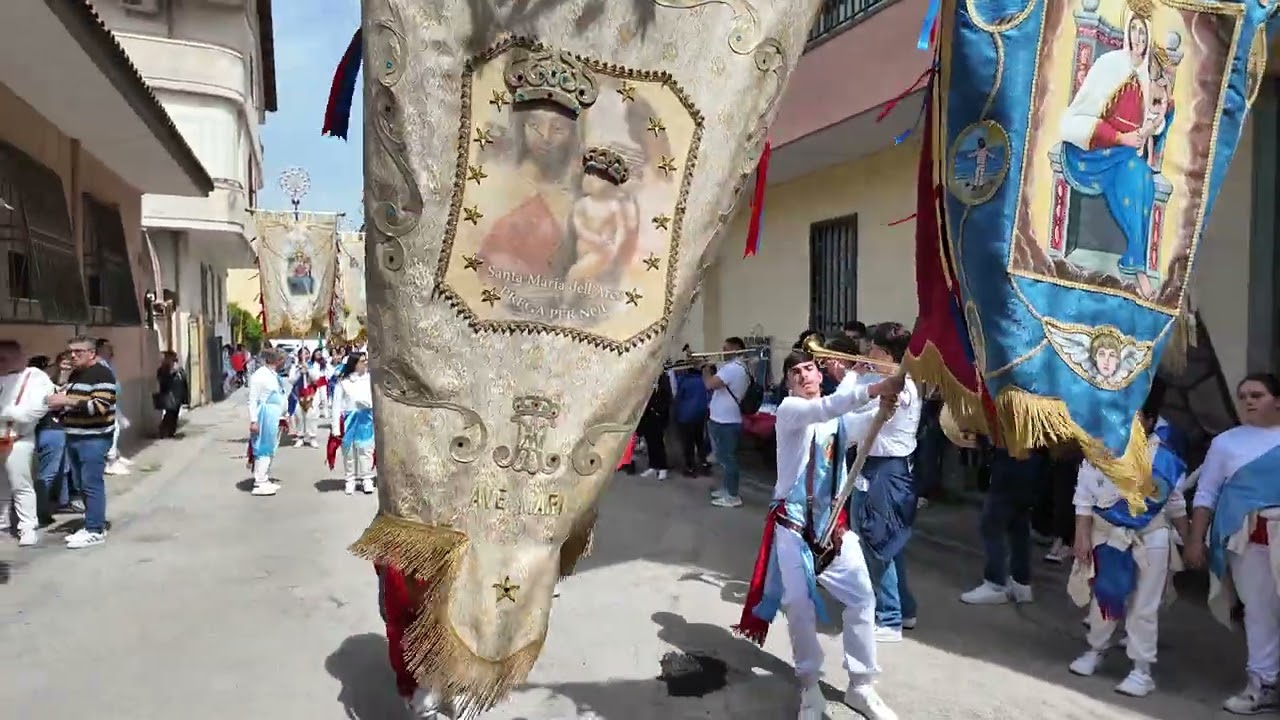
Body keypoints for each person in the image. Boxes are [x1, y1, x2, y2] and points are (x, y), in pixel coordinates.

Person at [733, 348, 905, 720]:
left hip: (833, 528)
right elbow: (828, 408)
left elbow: (860, 423)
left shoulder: (837, 417)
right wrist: (871, 387)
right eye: (795, 372)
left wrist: (888, 406)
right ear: (788, 383)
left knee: (862, 599)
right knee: (799, 607)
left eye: (809, 368)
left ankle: (861, 685)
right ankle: (810, 688)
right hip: (794, 528)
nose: (804, 375)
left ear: (819, 374)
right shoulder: (790, 411)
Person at [1066, 394, 1190, 698]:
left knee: (1144, 606)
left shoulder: (1164, 457)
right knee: (1104, 596)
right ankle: (1096, 649)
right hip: (1106, 532)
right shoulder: (1098, 447)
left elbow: (1175, 502)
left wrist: (1191, 541)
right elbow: (1084, 496)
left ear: (1149, 421)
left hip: (1151, 536)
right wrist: (1081, 535)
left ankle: (1141, 670)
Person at [1184, 373, 1280, 714]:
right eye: (1243, 396)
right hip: (1248, 540)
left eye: (1257, 395)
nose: (1248, 401)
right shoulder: (1226, 443)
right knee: (1259, 612)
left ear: (1277, 401)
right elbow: (1206, 493)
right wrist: (1195, 540)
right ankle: (1262, 686)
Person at [836, 325, 922, 642]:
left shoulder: (898, 389)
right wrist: (853, 377)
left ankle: (889, 618)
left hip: (886, 471)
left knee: (877, 544)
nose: (867, 353)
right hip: (879, 468)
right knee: (890, 546)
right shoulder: (885, 381)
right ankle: (904, 609)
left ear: (885, 354)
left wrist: (850, 378)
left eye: (872, 348)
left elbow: (849, 421)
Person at [45, 337, 117, 549]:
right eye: (71, 352)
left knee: (91, 484)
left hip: (94, 437)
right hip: (74, 435)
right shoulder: (76, 374)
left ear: (92, 353)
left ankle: (95, 530)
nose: (73, 356)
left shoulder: (102, 374)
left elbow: (100, 407)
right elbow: (71, 402)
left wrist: (67, 401)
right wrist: (61, 401)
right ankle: (91, 523)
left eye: (79, 351)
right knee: (81, 485)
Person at [960, 447, 1047, 605]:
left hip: (1013, 456)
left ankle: (995, 583)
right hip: (1032, 458)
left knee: (992, 522)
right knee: (1019, 524)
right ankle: (1021, 583)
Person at [0, 341, 56, 546]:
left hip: (18, 439)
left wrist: (4, 412)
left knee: (20, 484)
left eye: (3, 359)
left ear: (18, 357)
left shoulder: (35, 377)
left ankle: (27, 527)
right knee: (1, 485)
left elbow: (31, 412)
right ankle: (2, 523)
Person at [705, 336, 750, 508]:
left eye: (726, 348)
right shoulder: (735, 367)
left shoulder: (733, 368)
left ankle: (732, 495)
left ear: (736, 348)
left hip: (726, 421)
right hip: (723, 419)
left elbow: (710, 384)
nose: (723, 352)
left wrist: (704, 368)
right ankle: (727, 489)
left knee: (727, 459)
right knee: (724, 459)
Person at [330, 352, 376, 495]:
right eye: (362, 361)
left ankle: (366, 478)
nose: (365, 363)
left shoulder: (370, 379)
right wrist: (335, 427)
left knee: (365, 450)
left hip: (366, 418)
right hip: (349, 419)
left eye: (366, 360)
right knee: (349, 452)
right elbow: (336, 405)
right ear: (354, 364)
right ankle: (350, 479)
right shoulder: (344, 382)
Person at [248, 348, 290, 497]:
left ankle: (265, 477)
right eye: (281, 359)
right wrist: (254, 420)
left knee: (272, 447)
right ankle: (259, 481)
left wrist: (285, 414)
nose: (283, 362)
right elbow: (253, 399)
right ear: (275, 360)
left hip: (276, 416)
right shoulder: (259, 376)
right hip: (265, 416)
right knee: (263, 448)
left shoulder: (274, 375)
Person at [95, 339, 132, 476]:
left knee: (116, 429)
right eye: (107, 347)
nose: (110, 350)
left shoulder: (107, 363)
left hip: (113, 401)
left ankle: (115, 456)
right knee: (113, 430)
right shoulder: (99, 364)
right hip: (106, 401)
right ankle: (111, 462)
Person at [673, 367, 710, 476]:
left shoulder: (683, 380)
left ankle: (690, 467)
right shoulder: (703, 381)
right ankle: (703, 462)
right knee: (699, 439)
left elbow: (678, 397)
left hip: (685, 415)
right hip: (700, 414)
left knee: (688, 442)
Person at [637, 373, 672, 481]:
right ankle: (653, 465)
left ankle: (662, 467)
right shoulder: (645, 377)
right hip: (647, 414)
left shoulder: (663, 378)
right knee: (650, 441)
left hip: (658, 414)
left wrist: (658, 411)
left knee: (658, 441)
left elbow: (667, 397)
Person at [155, 351, 189, 439]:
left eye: (174, 359)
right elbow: (162, 381)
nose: (173, 361)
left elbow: (184, 383)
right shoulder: (163, 370)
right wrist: (171, 373)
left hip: (178, 396)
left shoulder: (180, 370)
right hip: (169, 395)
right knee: (169, 414)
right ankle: (162, 430)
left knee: (175, 414)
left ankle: (171, 431)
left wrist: (185, 398)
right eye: (171, 359)